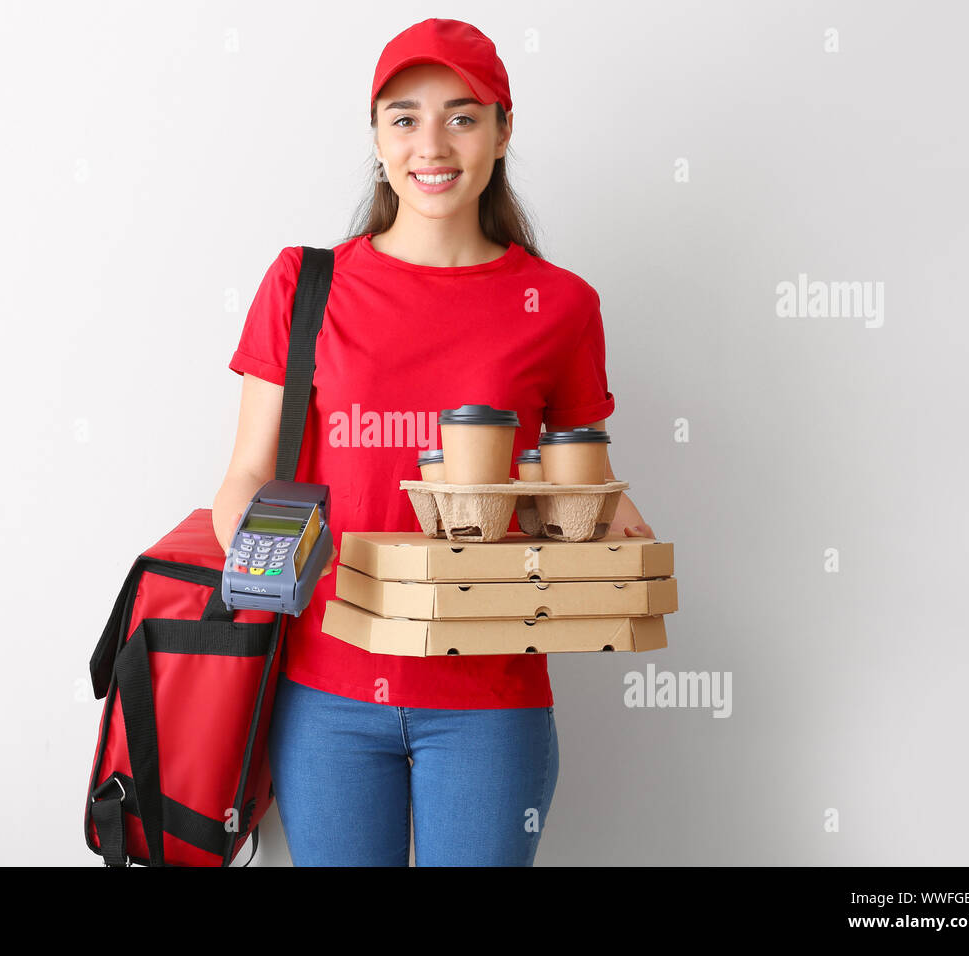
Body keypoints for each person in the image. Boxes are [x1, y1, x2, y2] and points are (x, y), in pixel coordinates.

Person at [213, 18, 654, 866]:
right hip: (323, 694)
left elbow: (573, 478)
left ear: (503, 128)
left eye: (462, 115)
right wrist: (260, 565)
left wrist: (606, 515)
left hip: (490, 699)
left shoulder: (558, 305)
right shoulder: (306, 287)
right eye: (404, 117)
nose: (432, 144)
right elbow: (244, 479)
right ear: (377, 136)